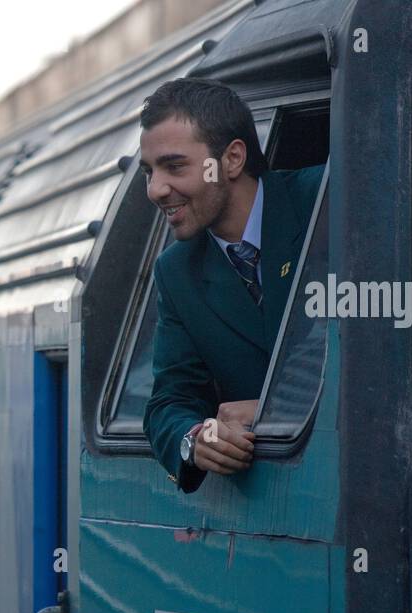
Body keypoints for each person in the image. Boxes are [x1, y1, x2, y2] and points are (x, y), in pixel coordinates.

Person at [139, 78, 325, 493]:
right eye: (149, 172)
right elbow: (169, 400)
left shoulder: (327, 200)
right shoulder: (176, 271)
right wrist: (195, 440)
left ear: (232, 159)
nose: (155, 190)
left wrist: (273, 412)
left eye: (174, 166)